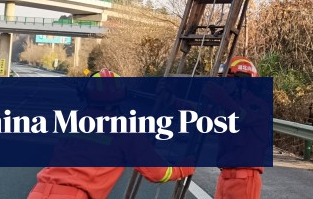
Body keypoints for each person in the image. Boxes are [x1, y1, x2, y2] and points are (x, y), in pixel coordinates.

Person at [26, 69, 195, 199]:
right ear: (122, 99)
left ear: (85, 95)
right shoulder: (124, 130)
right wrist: (185, 167)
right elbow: (159, 173)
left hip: (38, 192)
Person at [212, 56, 264, 199]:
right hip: (225, 176)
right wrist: (172, 101)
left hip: (244, 180)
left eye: (228, 80)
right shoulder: (227, 106)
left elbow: (243, 117)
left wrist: (222, 98)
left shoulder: (257, 105)